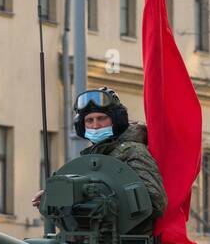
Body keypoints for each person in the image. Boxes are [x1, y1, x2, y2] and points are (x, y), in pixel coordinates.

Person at [31, 88, 167, 221]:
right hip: (90, 236)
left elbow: (156, 203)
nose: (95, 126)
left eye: (101, 118)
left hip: (128, 237)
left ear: (116, 121)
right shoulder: (94, 155)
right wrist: (54, 195)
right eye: (89, 121)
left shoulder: (133, 152)